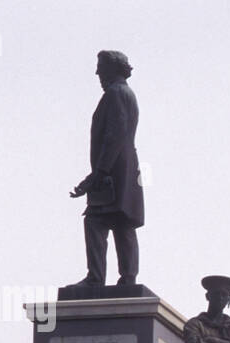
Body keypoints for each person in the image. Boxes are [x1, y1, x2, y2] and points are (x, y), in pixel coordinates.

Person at [70, 50, 144, 285]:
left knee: (96, 220)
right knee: (122, 222)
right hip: (125, 169)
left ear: (112, 68)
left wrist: (99, 173)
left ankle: (96, 277)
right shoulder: (126, 93)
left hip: (113, 171)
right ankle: (128, 277)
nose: (97, 73)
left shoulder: (115, 94)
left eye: (101, 67)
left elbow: (115, 135)